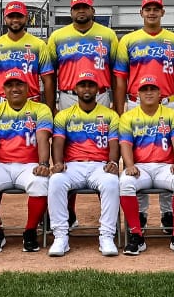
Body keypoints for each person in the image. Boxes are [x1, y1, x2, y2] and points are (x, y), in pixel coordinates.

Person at [113, 0, 174, 235]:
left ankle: (168, 212)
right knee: (137, 156)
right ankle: (141, 213)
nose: (152, 12)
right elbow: (121, 77)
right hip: (136, 102)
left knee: (168, 156)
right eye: (148, 8)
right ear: (141, 12)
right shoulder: (128, 40)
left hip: (169, 102)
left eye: (156, 8)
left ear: (163, 12)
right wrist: (120, 107)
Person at [0, 69, 54, 253]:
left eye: (19, 84)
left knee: (41, 182)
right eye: (10, 85)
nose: (14, 88)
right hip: (0, 165)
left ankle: (30, 232)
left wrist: (43, 164)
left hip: (29, 165)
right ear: (3, 90)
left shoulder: (41, 109)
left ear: (28, 87)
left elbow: (43, 138)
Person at [46, 72, 121, 257]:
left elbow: (114, 143)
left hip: (99, 165)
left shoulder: (110, 115)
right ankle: (60, 236)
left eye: (91, 85)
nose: (86, 89)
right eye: (82, 85)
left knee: (111, 182)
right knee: (55, 181)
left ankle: (107, 236)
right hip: (73, 165)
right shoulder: (64, 115)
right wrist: (58, 163)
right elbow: (57, 142)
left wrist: (112, 162)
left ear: (97, 89)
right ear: (75, 89)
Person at [118, 75, 174, 255]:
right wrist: (129, 165)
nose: (149, 92)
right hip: (140, 167)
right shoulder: (128, 117)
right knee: (125, 182)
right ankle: (136, 235)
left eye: (153, 89)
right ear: (138, 94)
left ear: (160, 93)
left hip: (165, 167)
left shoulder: (171, 115)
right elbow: (125, 144)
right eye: (145, 89)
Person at [45, 0, 119, 110]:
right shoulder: (57, 36)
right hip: (69, 97)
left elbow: (115, 72)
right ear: (71, 12)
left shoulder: (108, 34)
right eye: (76, 8)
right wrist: (52, 107)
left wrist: (116, 104)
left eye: (85, 7)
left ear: (93, 11)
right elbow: (50, 75)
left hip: (99, 96)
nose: (81, 11)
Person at [0, 0, 55, 107]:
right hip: (3, 103)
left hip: (31, 103)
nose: (15, 20)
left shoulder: (38, 45)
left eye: (19, 16)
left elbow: (48, 80)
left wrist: (50, 108)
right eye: (11, 16)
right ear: (5, 18)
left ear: (26, 18)